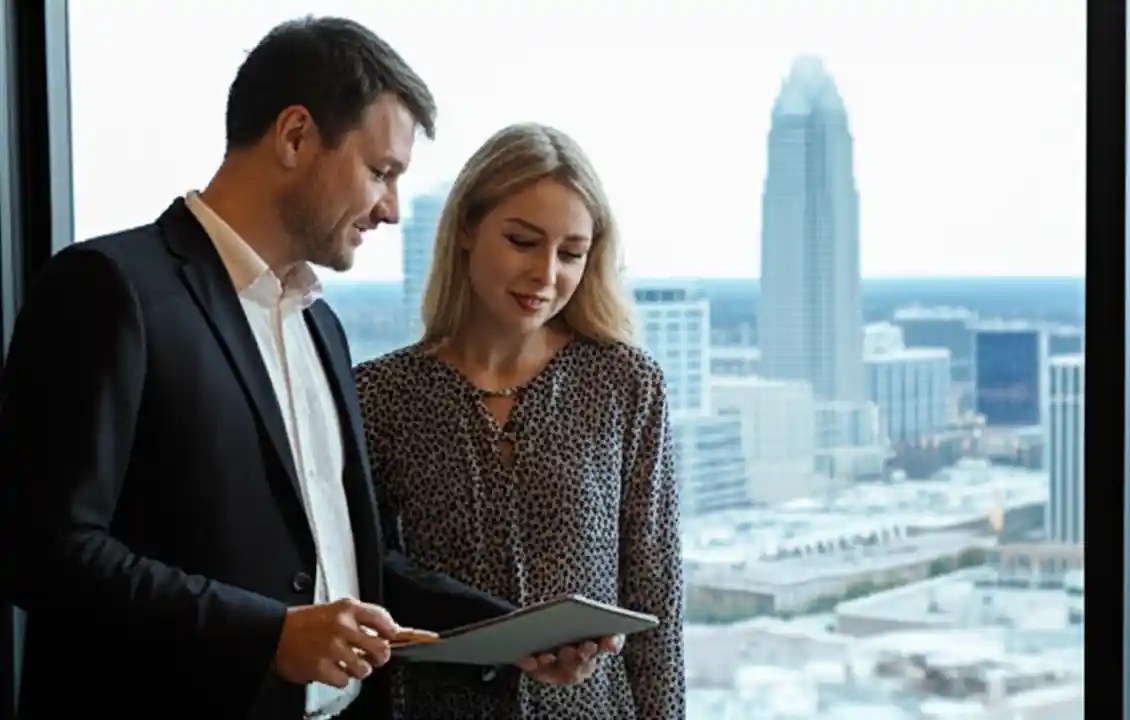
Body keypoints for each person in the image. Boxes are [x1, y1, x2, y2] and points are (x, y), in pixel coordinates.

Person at [0, 17, 600, 720]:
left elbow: (350, 564)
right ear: (294, 137)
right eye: (380, 172)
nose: (390, 210)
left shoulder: (321, 327)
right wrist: (268, 637)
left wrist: (511, 631)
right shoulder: (110, 288)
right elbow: (42, 551)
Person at [354, 122, 686, 720]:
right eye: (523, 241)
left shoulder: (625, 383)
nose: (546, 274)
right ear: (466, 229)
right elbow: (363, 583)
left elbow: (656, 593)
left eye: (571, 254)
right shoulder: (379, 395)